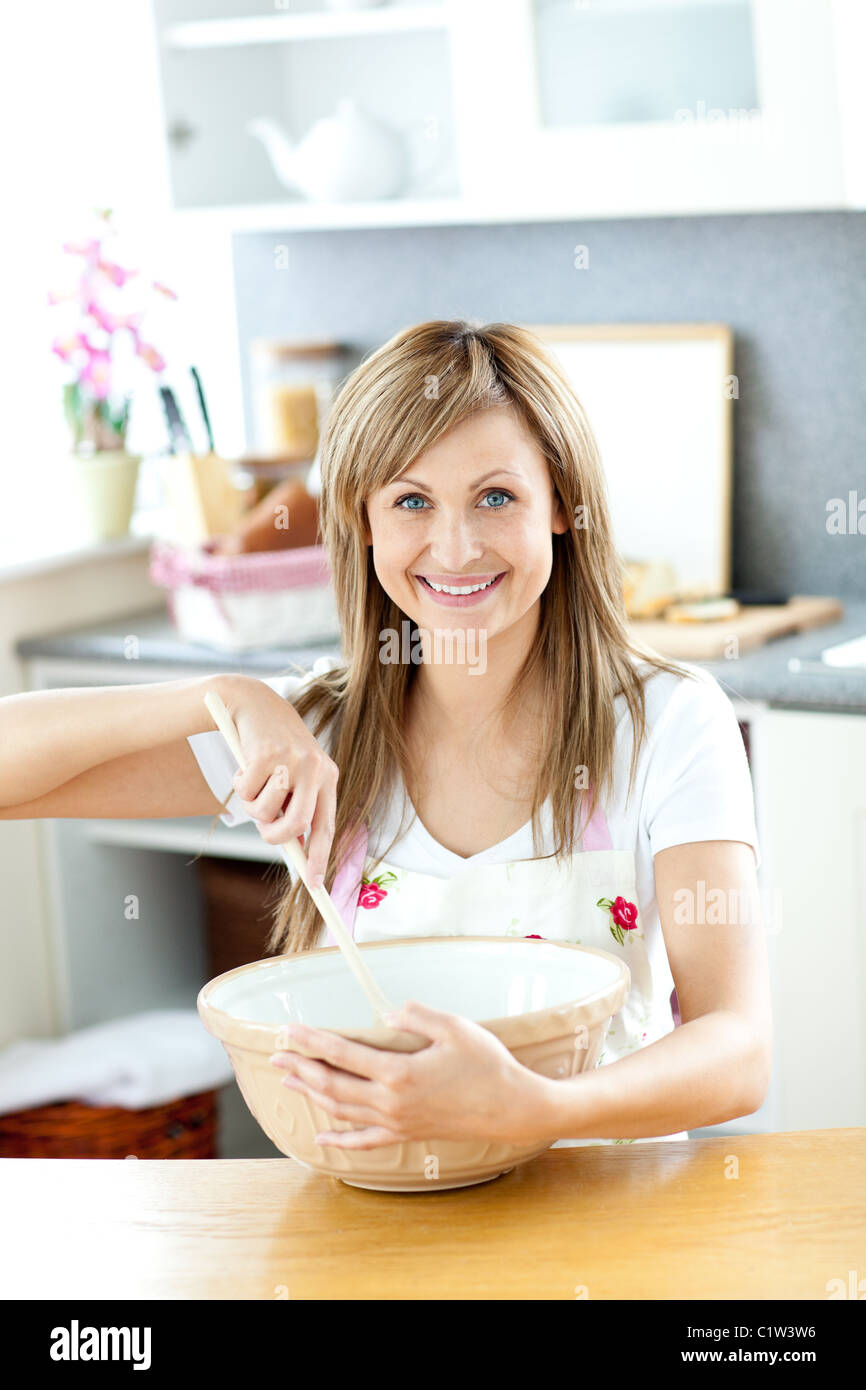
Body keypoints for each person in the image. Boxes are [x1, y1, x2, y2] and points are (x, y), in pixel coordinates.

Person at [0, 320, 771, 1155]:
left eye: (496, 496)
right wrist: (223, 696)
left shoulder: (668, 721)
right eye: (411, 501)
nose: (456, 545)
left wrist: (537, 1111)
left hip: (608, 1230)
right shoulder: (312, 734)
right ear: (362, 523)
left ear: (561, 506)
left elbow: (738, 1052)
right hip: (380, 1233)